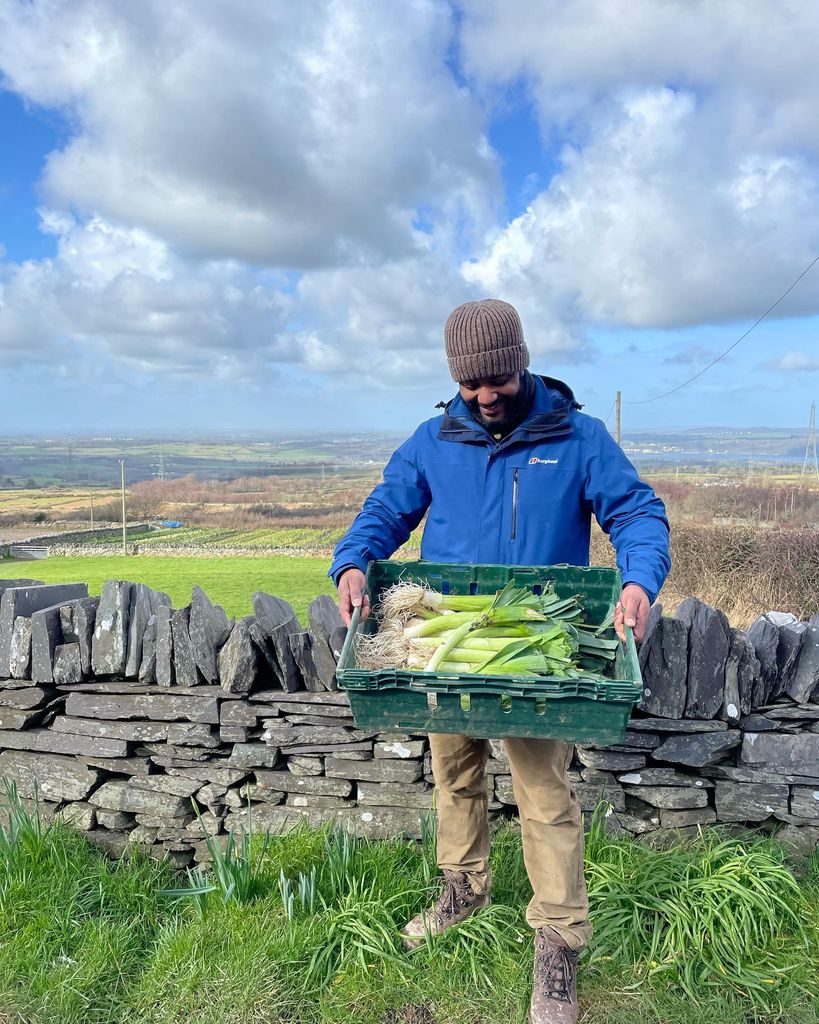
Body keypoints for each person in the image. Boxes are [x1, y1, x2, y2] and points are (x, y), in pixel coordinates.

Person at [329, 299, 670, 1024]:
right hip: (444, 649)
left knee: (545, 796)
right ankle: (464, 887)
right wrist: (354, 562)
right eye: (470, 385)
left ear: (522, 364)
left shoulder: (577, 438)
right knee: (452, 777)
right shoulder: (431, 439)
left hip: (534, 655)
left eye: (499, 380)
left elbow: (637, 512)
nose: (486, 397)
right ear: (454, 380)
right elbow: (386, 509)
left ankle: (558, 939)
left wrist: (638, 581)